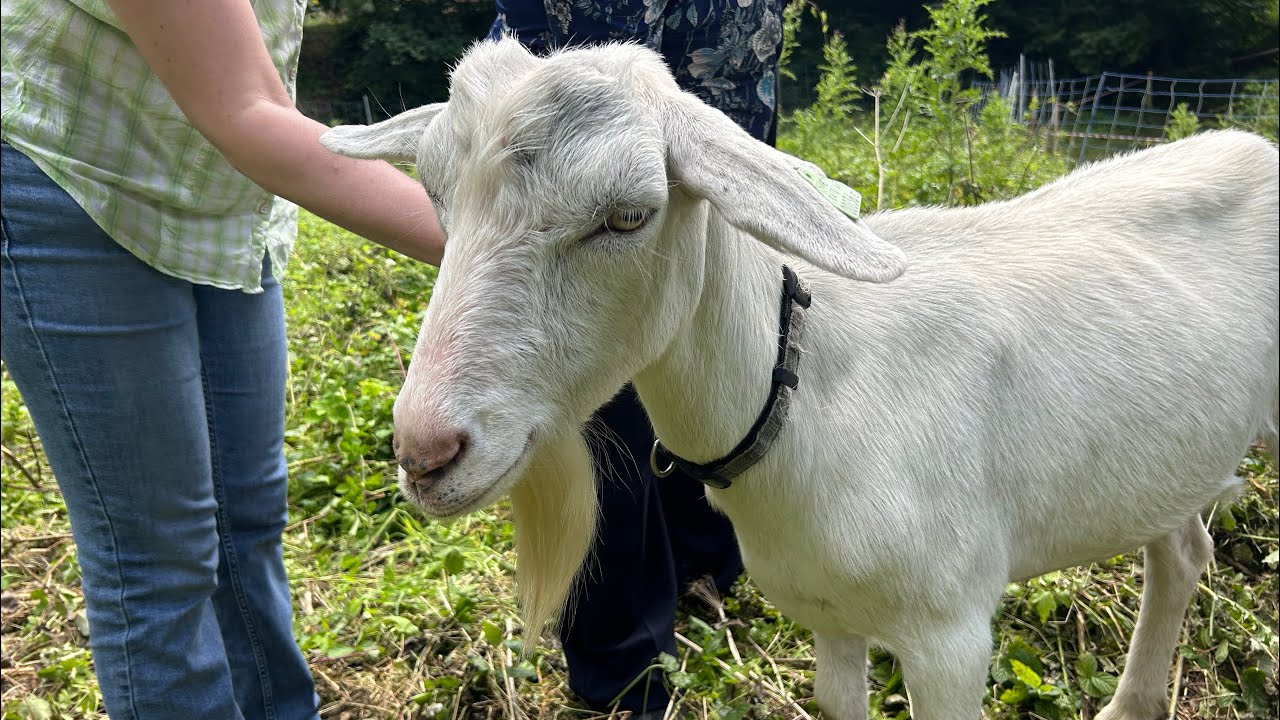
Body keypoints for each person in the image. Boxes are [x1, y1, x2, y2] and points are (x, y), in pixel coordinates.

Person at [1, 1, 445, 718]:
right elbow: (247, 106)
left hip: (221, 192)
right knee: (160, 559)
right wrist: (502, 247)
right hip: (78, 180)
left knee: (248, 518)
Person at [489, 2, 786, 716]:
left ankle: (700, 560)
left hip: (727, 76)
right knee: (590, 336)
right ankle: (623, 670)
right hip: (581, 47)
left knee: (711, 319)